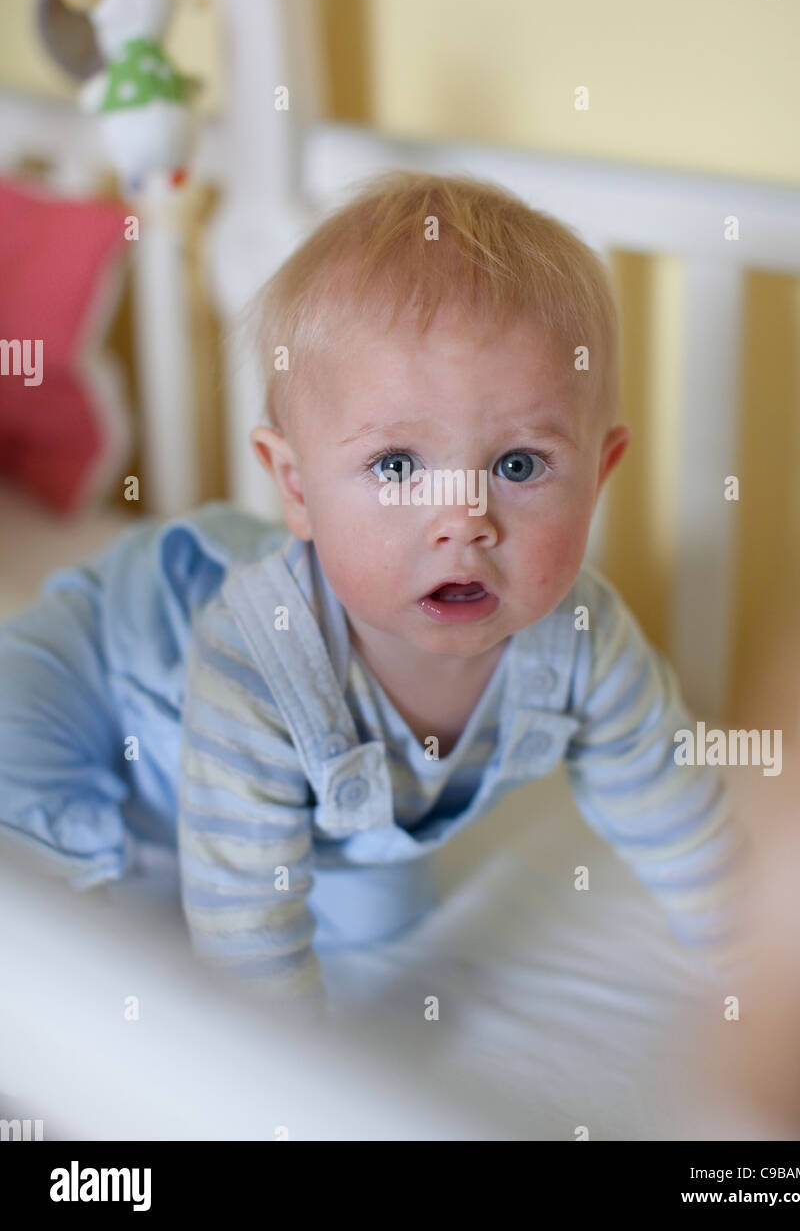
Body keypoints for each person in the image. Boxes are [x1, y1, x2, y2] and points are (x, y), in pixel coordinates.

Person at [0, 171, 751, 1016]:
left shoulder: (585, 639)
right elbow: (251, 963)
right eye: (396, 466)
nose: (464, 521)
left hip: (248, 779)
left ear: (599, 475)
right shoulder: (259, 656)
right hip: (88, 674)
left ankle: (190, 839)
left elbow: (675, 812)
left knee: (383, 912)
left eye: (519, 464)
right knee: (30, 882)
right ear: (295, 485)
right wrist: (289, 1079)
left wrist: (762, 966)